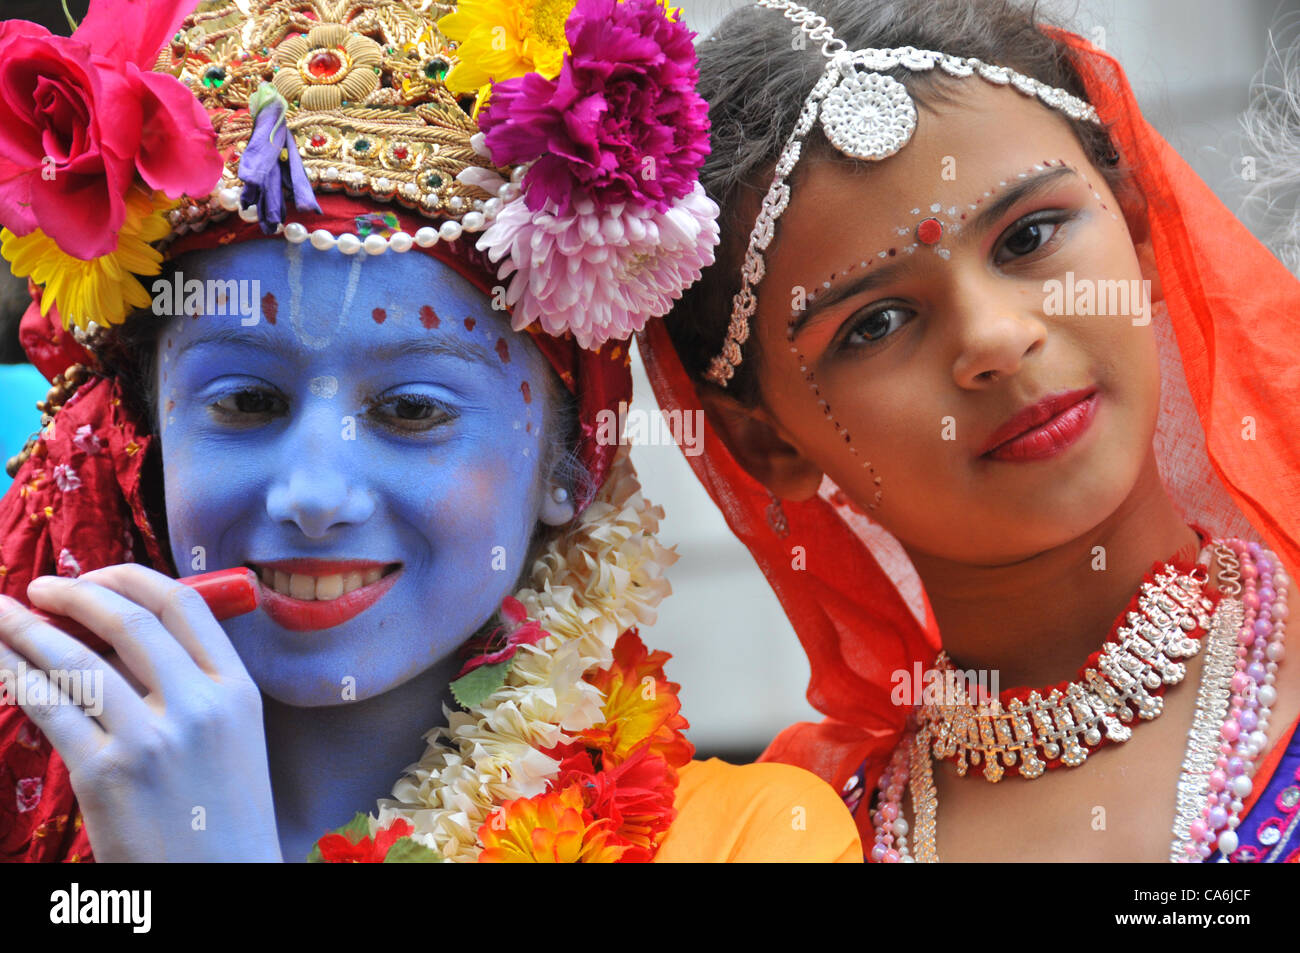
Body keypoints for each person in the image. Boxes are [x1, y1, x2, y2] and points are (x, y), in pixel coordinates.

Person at [0, 0, 861, 862]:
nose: (312, 496)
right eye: (247, 402)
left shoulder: (746, 838)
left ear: (574, 459)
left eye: (411, 409)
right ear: (142, 434)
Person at [640, 0, 1300, 861]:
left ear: (1137, 223)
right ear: (769, 445)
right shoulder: (792, 836)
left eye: (1029, 235)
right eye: (874, 323)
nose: (994, 339)